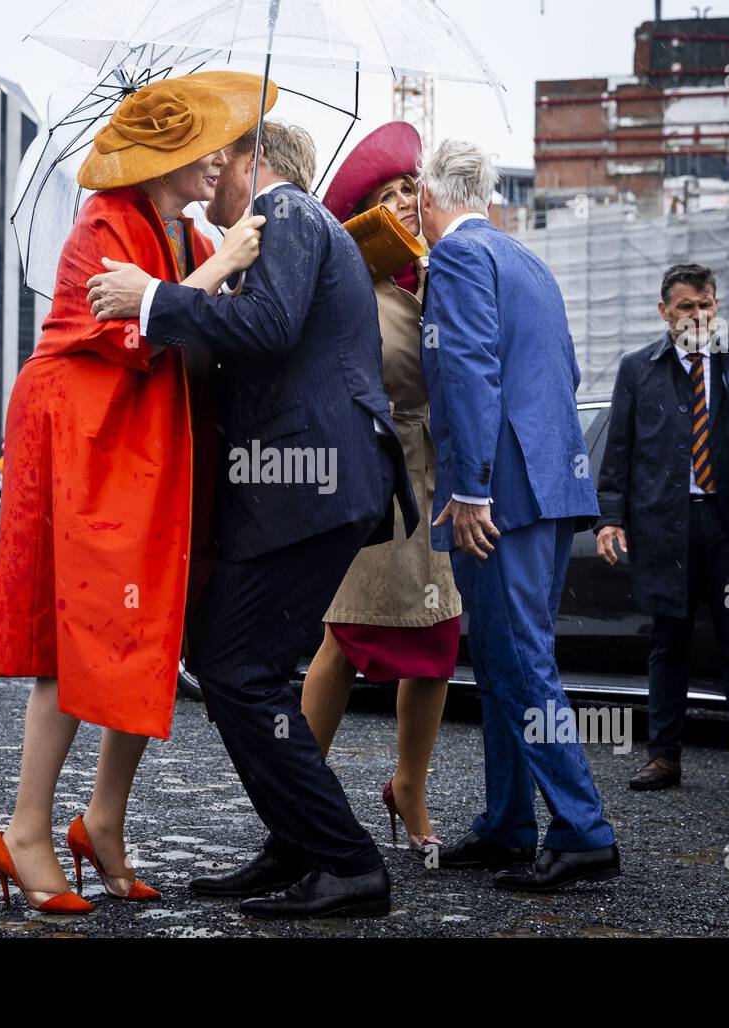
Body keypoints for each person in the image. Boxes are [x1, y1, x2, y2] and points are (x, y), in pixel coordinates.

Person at [87, 119, 419, 919]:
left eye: (220, 156)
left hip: (313, 484)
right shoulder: (271, 234)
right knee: (238, 664)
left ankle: (344, 861)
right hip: (300, 488)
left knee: (239, 670)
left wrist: (155, 296)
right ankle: (301, 842)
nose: (208, 170)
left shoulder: (290, 215)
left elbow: (269, 329)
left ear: (251, 161)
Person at [0, 71, 271, 915]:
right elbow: (124, 333)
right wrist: (220, 264)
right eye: (203, 149)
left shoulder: (171, 230)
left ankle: (101, 819)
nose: (220, 161)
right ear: (162, 158)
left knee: (142, 633)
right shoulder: (104, 223)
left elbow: (174, 325)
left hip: (136, 446)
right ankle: (26, 829)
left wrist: (209, 268)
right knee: (81, 636)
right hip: (85, 442)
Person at [417, 140, 620, 892]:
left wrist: (470, 488)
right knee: (506, 655)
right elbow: (561, 371)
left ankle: (583, 828)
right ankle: (507, 824)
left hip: (498, 494)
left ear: (427, 193)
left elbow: (469, 371)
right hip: (550, 485)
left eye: (413, 196)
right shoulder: (527, 262)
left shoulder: (460, 261)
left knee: (520, 657)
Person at [301, 121, 461, 854]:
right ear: (365, 212)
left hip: (438, 487)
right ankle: (298, 794)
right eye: (386, 194)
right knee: (348, 634)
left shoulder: (447, 278)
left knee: (436, 642)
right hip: (372, 482)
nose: (402, 202)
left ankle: (408, 788)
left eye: (409, 190)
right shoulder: (351, 286)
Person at [595, 263, 729, 799]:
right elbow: (619, 451)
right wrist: (610, 518)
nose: (698, 315)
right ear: (665, 312)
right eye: (686, 306)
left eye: (706, 304)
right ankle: (664, 758)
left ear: (717, 307)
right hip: (665, 528)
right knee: (668, 643)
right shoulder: (639, 369)